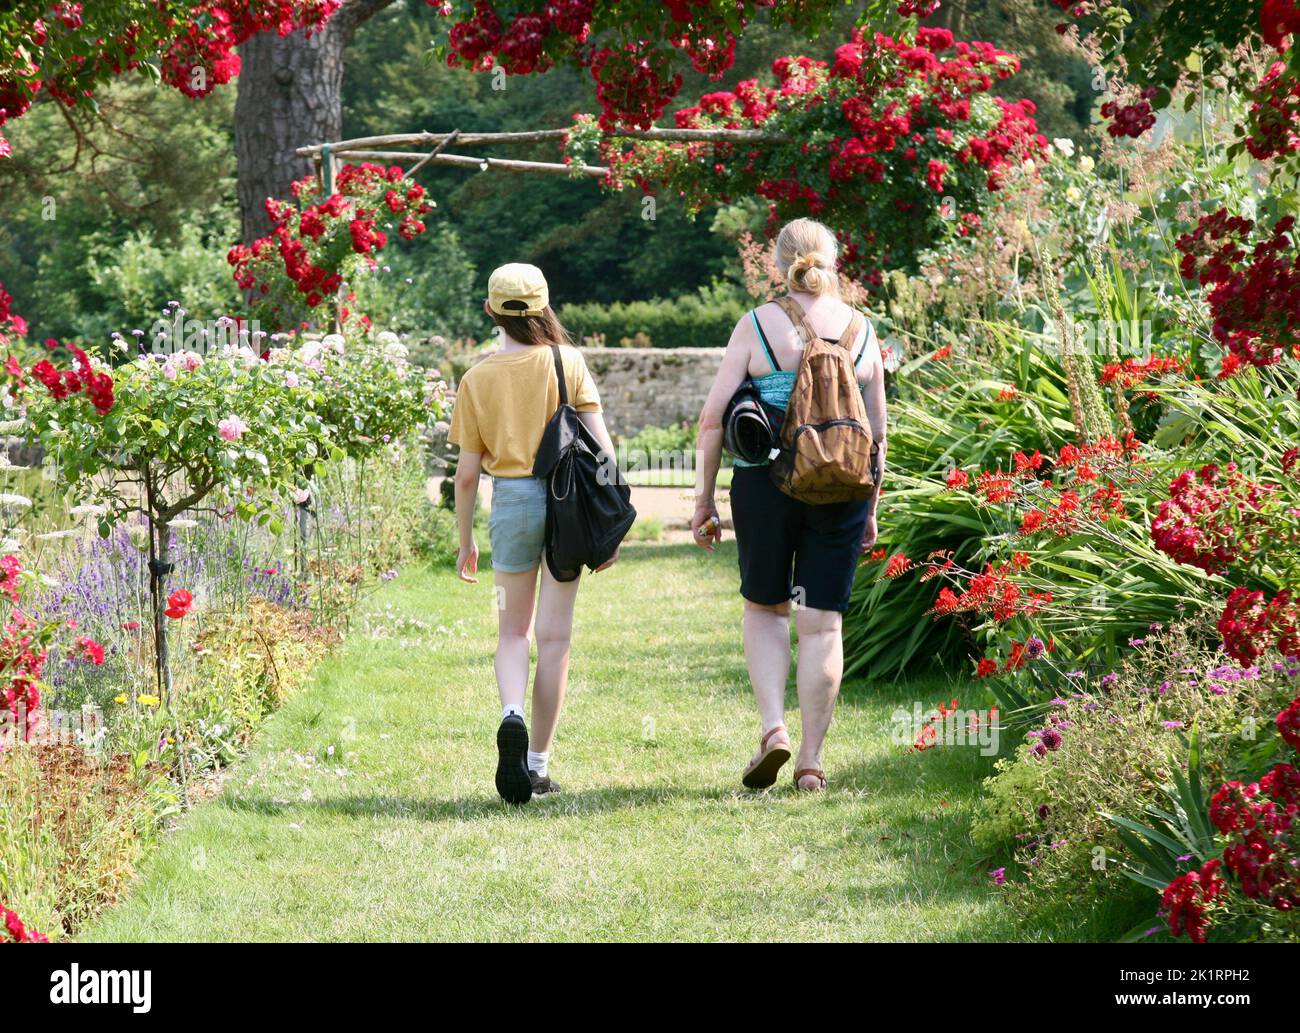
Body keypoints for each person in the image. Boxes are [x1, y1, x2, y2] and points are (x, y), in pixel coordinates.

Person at [691, 218, 888, 792]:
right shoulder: (863, 331)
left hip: (764, 484)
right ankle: (810, 761)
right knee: (822, 625)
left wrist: (704, 500)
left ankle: (773, 728)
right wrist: (870, 505)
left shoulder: (756, 324)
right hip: (843, 489)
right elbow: (877, 433)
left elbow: (711, 420)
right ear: (832, 262)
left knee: (766, 609)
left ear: (779, 265)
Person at [449, 263, 618, 805]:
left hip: (514, 504)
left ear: (490, 311)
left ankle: (511, 714)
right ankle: (539, 765)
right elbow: (605, 453)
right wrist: (609, 527)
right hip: (569, 505)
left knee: (511, 633)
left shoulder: (477, 378)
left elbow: (468, 474)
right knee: (555, 639)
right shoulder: (568, 362)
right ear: (546, 308)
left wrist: (466, 540)